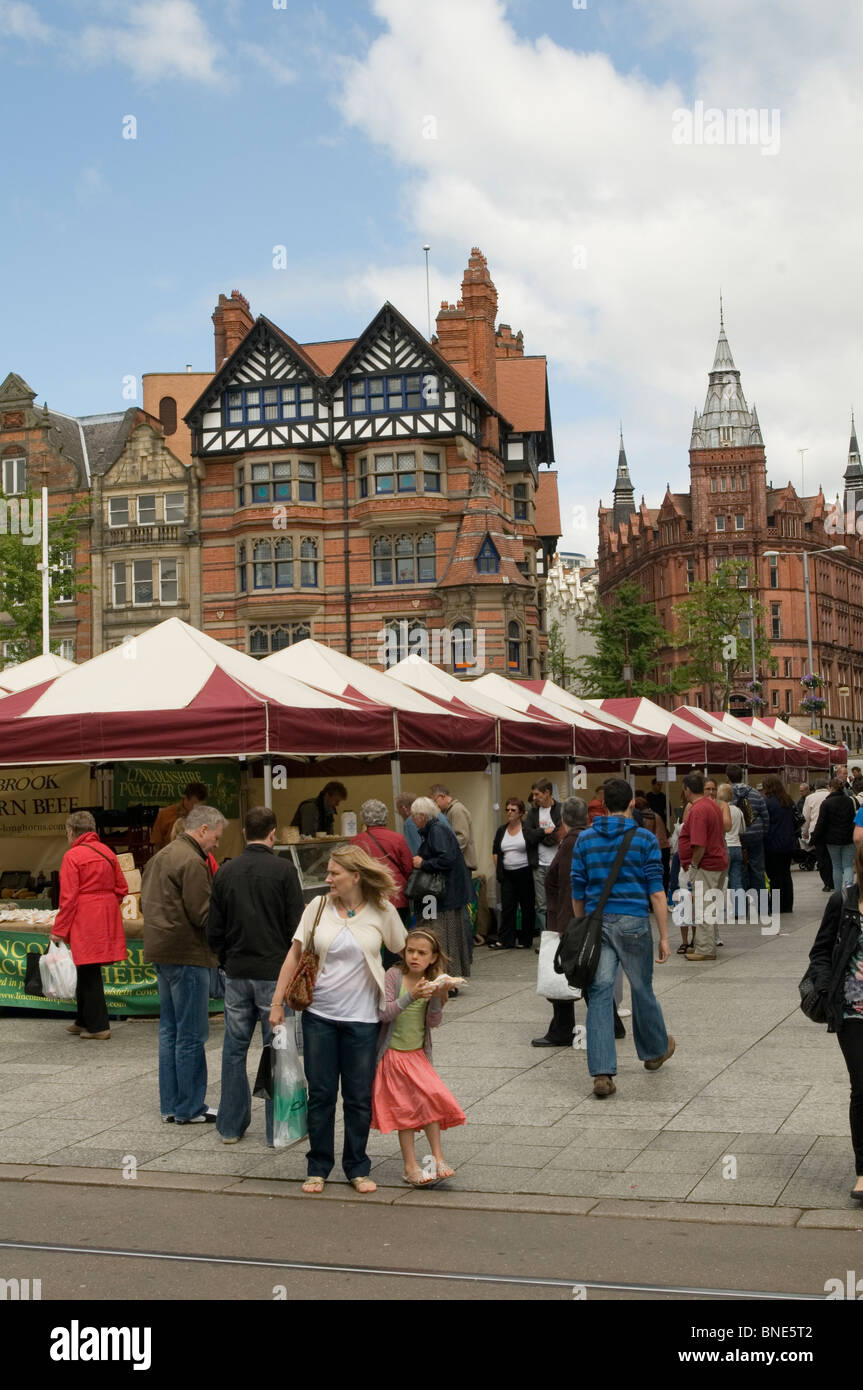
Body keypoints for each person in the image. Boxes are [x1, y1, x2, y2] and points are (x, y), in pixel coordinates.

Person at [268, 847, 407, 1195]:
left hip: (363, 1020)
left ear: (356, 876)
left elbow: (406, 950)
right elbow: (295, 954)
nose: (327, 879)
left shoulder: (382, 910)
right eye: (328, 873)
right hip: (319, 1016)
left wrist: (416, 991)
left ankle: (357, 1168)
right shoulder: (316, 908)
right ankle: (318, 1167)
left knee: (358, 1096)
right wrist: (277, 1002)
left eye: (334, 873)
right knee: (322, 1094)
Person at [206, 805, 304, 1146]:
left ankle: (230, 1126)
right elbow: (297, 928)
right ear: (273, 833)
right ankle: (278, 1128)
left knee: (234, 1048)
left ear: (244, 833)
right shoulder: (284, 871)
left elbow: (213, 927)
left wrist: (225, 958)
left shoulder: (225, 871)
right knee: (277, 1047)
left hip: (236, 971)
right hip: (275, 973)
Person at [570, 778, 673, 1098]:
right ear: (631, 803)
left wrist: (581, 925)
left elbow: (578, 889)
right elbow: (656, 892)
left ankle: (602, 1072)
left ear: (602, 804)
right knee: (642, 988)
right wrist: (665, 937)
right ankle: (654, 1050)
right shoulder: (644, 839)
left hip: (597, 924)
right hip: (633, 922)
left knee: (600, 993)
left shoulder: (585, 840)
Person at [141, 803, 227, 1124]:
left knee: (169, 1031)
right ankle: (190, 1107)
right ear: (202, 830)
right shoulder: (192, 861)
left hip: (160, 951)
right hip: (187, 953)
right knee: (191, 1033)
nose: (216, 844)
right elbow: (203, 913)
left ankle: (171, 1106)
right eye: (215, 838)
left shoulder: (160, 856)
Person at [371, 928, 465, 1187]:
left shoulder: (432, 980)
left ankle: (438, 1158)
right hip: (393, 1055)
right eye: (410, 950)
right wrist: (411, 996)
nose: (414, 956)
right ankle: (410, 1166)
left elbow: (433, 1022)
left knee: (432, 1100)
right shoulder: (394, 976)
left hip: (417, 1055)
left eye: (422, 953)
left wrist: (438, 996)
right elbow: (384, 1014)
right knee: (405, 1111)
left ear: (433, 958)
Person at [806, 843, 863, 1200]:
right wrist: (828, 991)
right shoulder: (843, 902)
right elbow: (820, 953)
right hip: (853, 1012)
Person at [50, 811, 128, 1041]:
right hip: (105, 916)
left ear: (72, 831)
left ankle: (98, 1026)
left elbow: (68, 898)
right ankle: (82, 1020)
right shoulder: (107, 852)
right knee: (85, 967)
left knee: (89, 969)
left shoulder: (72, 856)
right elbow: (122, 888)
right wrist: (106, 906)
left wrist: (58, 930)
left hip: (84, 917)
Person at [408, 797, 473, 980]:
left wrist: (423, 863)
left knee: (442, 934)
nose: (412, 820)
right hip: (445, 894)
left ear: (422, 816)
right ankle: (446, 974)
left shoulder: (436, 831)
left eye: (414, 816)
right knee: (445, 934)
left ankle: (444, 975)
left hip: (444, 895)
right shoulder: (436, 828)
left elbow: (446, 859)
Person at [677, 771, 728, 962]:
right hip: (717, 861)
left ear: (687, 790)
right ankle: (705, 944)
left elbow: (699, 844)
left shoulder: (698, 809)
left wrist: (694, 865)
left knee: (703, 906)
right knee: (710, 906)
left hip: (706, 864)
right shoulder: (712, 805)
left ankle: (705, 949)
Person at [430, 784, 487, 948]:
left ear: (441, 796)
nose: (434, 805)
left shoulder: (457, 811)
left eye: (434, 800)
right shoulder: (450, 811)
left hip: (461, 865)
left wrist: (446, 856)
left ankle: (466, 943)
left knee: (461, 906)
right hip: (458, 864)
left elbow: (461, 838)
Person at [352, 799, 414, 928]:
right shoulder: (398, 838)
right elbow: (409, 868)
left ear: (363, 818)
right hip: (396, 897)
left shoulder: (356, 841)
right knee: (396, 939)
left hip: (367, 896)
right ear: (385, 816)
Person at [491, 798, 536, 950]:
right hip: (507, 874)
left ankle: (525, 939)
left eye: (513, 810)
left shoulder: (527, 828)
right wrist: (500, 869)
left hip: (524, 872)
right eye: (507, 809)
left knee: (526, 906)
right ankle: (506, 939)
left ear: (521, 813)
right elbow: (496, 851)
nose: (509, 812)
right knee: (507, 906)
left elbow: (533, 845)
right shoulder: (501, 830)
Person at [523, 779, 562, 937]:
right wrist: (544, 832)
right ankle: (546, 936)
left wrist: (539, 835)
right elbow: (527, 836)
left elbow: (559, 835)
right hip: (538, 864)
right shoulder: (532, 813)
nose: (534, 798)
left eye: (537, 794)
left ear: (547, 793)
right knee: (541, 904)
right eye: (533, 794)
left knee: (558, 901)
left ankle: (560, 933)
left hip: (556, 863)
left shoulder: (560, 809)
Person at [726, 764, 768, 893]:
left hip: (736, 838)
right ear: (742, 776)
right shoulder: (755, 793)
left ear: (728, 777)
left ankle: (741, 905)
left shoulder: (726, 795)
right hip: (755, 836)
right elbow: (765, 816)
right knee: (758, 871)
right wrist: (763, 833)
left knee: (738, 872)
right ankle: (762, 906)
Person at [812, 778, 857, 890]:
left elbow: (821, 823)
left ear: (831, 788)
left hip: (832, 839)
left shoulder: (826, 803)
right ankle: (849, 888)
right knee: (848, 865)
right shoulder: (849, 801)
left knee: (836, 866)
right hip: (848, 838)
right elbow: (852, 819)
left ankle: (837, 893)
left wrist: (814, 838)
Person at [762, 775, 797, 915]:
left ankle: (776, 905)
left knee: (774, 876)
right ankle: (787, 905)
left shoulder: (768, 803)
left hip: (773, 844)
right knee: (786, 874)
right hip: (788, 843)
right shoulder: (788, 801)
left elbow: (766, 823)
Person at [150, 781, 208, 850]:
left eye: (201, 806)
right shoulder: (165, 814)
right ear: (185, 799)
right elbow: (157, 844)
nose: (198, 810)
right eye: (195, 805)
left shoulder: (205, 817)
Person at [717, 783, 745, 917]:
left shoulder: (719, 809)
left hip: (724, 846)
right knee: (736, 880)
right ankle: (739, 910)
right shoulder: (738, 810)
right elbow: (742, 830)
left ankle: (721, 909)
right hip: (737, 846)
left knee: (721, 880)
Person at [634, 794, 670, 891]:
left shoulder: (642, 817)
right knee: (664, 876)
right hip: (664, 847)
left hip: (654, 849)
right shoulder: (656, 815)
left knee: (653, 878)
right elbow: (667, 833)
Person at [804, 779, 834, 891]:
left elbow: (806, 817)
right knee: (832, 857)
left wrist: (805, 832)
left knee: (821, 857)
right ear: (826, 786)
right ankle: (834, 880)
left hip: (816, 831)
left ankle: (826, 882)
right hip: (831, 830)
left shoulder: (809, 798)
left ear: (815, 787)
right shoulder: (831, 794)